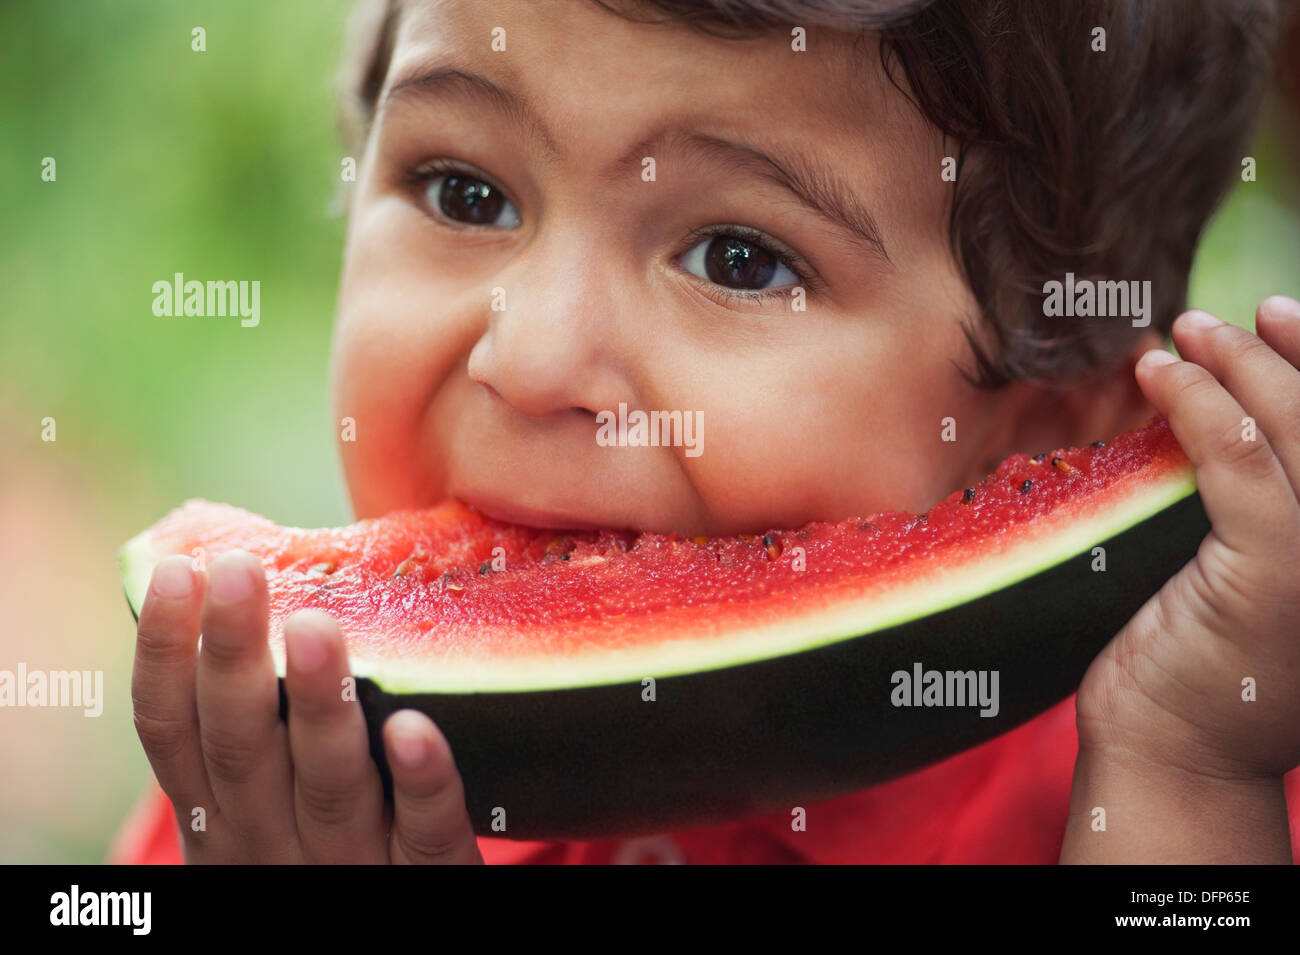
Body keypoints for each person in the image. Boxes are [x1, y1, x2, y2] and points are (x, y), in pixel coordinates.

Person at [111, 0, 1300, 864]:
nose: (528, 362)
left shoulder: (1183, 778)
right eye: (464, 192)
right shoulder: (262, 804)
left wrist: (1186, 780)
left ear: (1046, 425)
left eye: (739, 258)